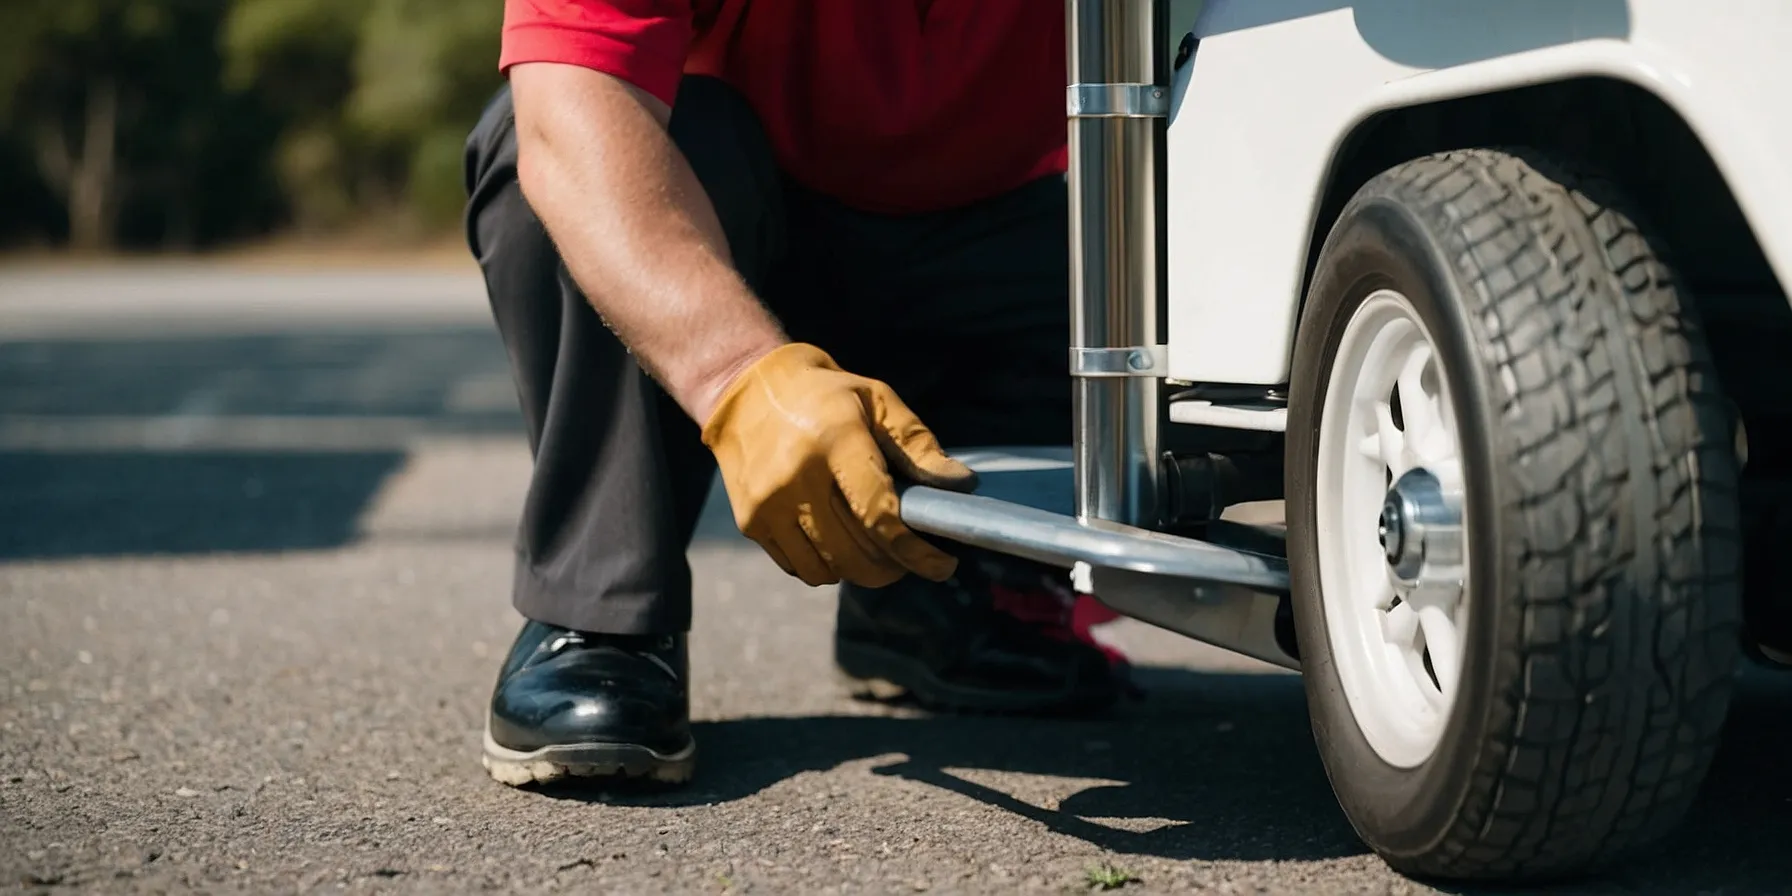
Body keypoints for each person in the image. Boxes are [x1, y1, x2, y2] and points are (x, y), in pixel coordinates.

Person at [463, 0, 1129, 788]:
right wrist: (737, 375)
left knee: (1145, 228)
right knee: (575, 145)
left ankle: (947, 595)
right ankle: (600, 619)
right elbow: (569, 108)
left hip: (991, 227)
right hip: (733, 236)